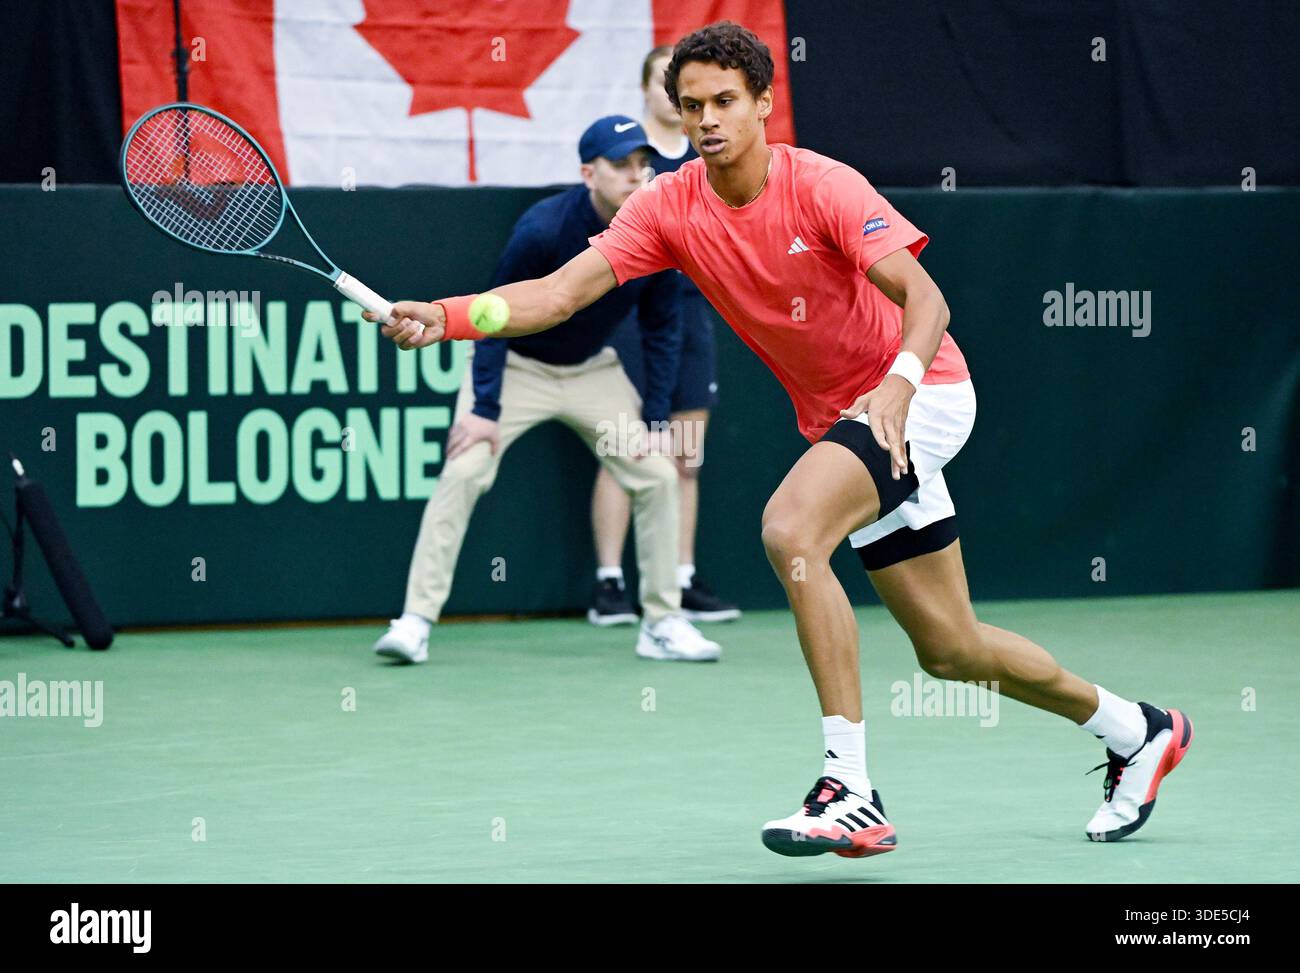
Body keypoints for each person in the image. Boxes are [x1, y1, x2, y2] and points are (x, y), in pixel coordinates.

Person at [366, 22, 1193, 854]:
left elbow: (927, 300)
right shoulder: (667, 206)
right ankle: (1137, 729)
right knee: (951, 648)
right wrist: (445, 317)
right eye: (691, 107)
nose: (708, 120)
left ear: (764, 102)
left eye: (726, 101)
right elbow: (555, 295)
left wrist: (898, 390)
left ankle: (850, 787)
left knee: (792, 530)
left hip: (924, 392)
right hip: (846, 421)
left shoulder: (823, 187)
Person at [370, 115, 722, 665]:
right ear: (588, 173)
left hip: (591, 372)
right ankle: (414, 622)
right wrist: (484, 409)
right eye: (620, 165)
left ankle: (662, 623)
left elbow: (662, 332)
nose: (636, 176)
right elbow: (490, 314)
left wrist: (655, 422)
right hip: (517, 371)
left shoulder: (660, 236)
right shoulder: (542, 229)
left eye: (642, 164)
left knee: (657, 475)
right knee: (463, 471)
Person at [590, 46, 741, 626]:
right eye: (669, 83)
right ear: (653, 91)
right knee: (624, 447)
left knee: (685, 454)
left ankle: (679, 578)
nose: (683, 94)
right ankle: (610, 583)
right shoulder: (628, 155)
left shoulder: (709, 154)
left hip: (690, 310)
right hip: (630, 312)